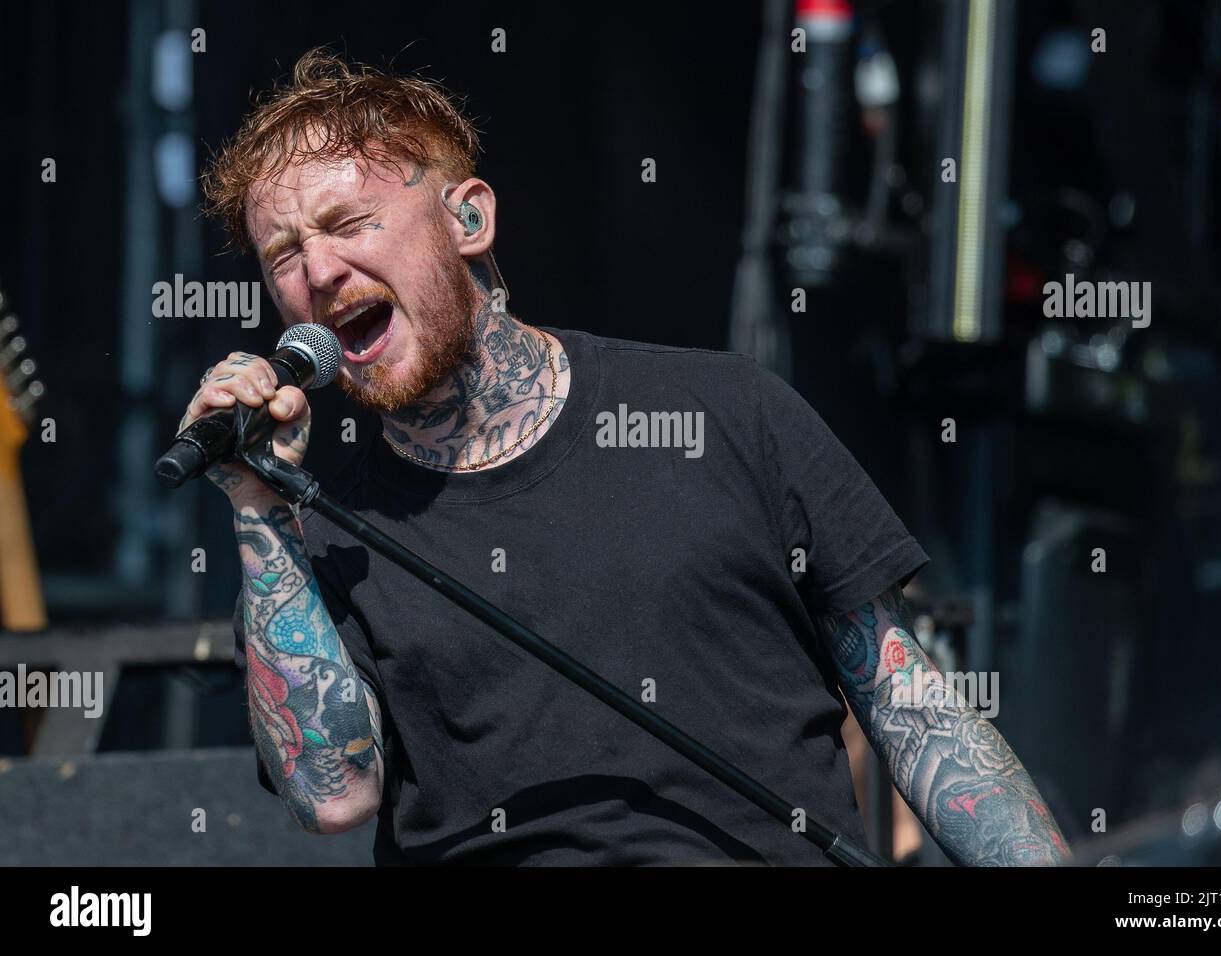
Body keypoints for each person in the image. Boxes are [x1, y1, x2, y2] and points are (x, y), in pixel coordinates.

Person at [183, 47, 1070, 865]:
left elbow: (908, 706)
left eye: (350, 223)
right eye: (286, 253)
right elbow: (332, 798)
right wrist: (258, 510)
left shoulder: (726, 412)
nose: (321, 271)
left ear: (469, 217)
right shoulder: (326, 535)